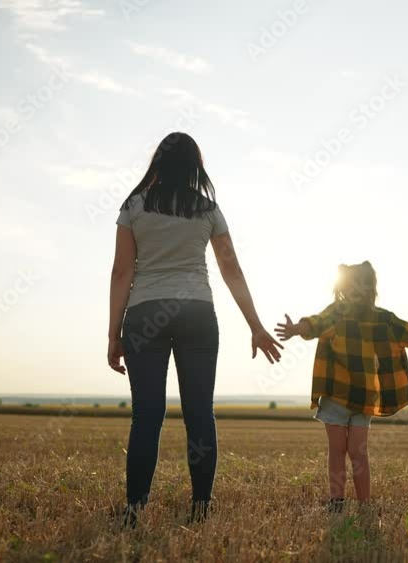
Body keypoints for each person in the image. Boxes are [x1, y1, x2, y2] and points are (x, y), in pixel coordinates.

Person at [107, 132, 283, 528]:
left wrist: (113, 334)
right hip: (197, 313)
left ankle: (135, 509)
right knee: (200, 413)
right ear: (195, 166)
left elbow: (121, 272)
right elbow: (231, 268)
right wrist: (255, 325)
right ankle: (201, 508)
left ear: (158, 162)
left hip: (145, 313)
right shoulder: (207, 209)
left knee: (146, 415)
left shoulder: (134, 206)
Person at [274, 261, 408, 513]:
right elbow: (315, 323)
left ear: (369, 289)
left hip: (359, 398)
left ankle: (360, 504)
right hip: (341, 396)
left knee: (353, 452)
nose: (355, 291)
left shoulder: (378, 318)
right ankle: (340, 502)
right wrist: (296, 329)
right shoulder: (341, 313)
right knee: (343, 450)